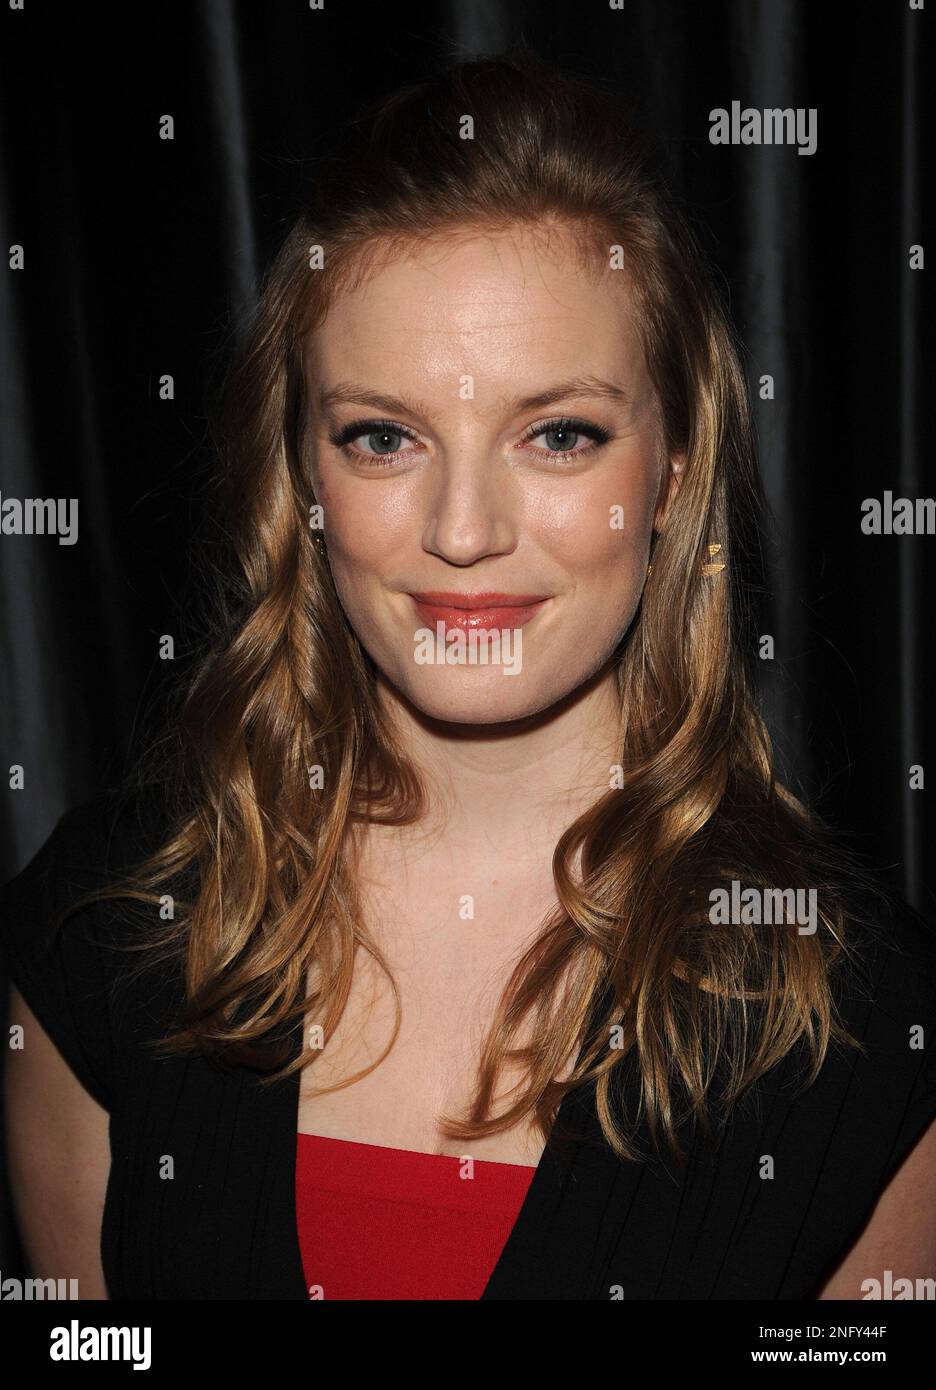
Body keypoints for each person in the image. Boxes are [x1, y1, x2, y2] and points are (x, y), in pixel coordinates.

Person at [3, 50, 935, 1302]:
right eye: (384, 436)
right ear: (305, 479)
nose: (462, 528)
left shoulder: (861, 1022)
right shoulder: (106, 931)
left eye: (558, 434)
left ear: (668, 474)